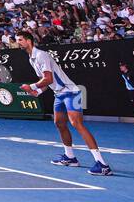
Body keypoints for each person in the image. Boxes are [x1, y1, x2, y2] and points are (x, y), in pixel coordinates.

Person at [17, 30, 112, 176]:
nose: (18, 42)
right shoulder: (32, 59)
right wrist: (39, 92)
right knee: (59, 123)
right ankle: (70, 157)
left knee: (76, 124)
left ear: (29, 41)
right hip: (59, 94)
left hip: (71, 92)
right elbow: (48, 81)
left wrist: (32, 87)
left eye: (20, 40)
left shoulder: (41, 55)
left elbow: (48, 78)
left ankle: (102, 164)